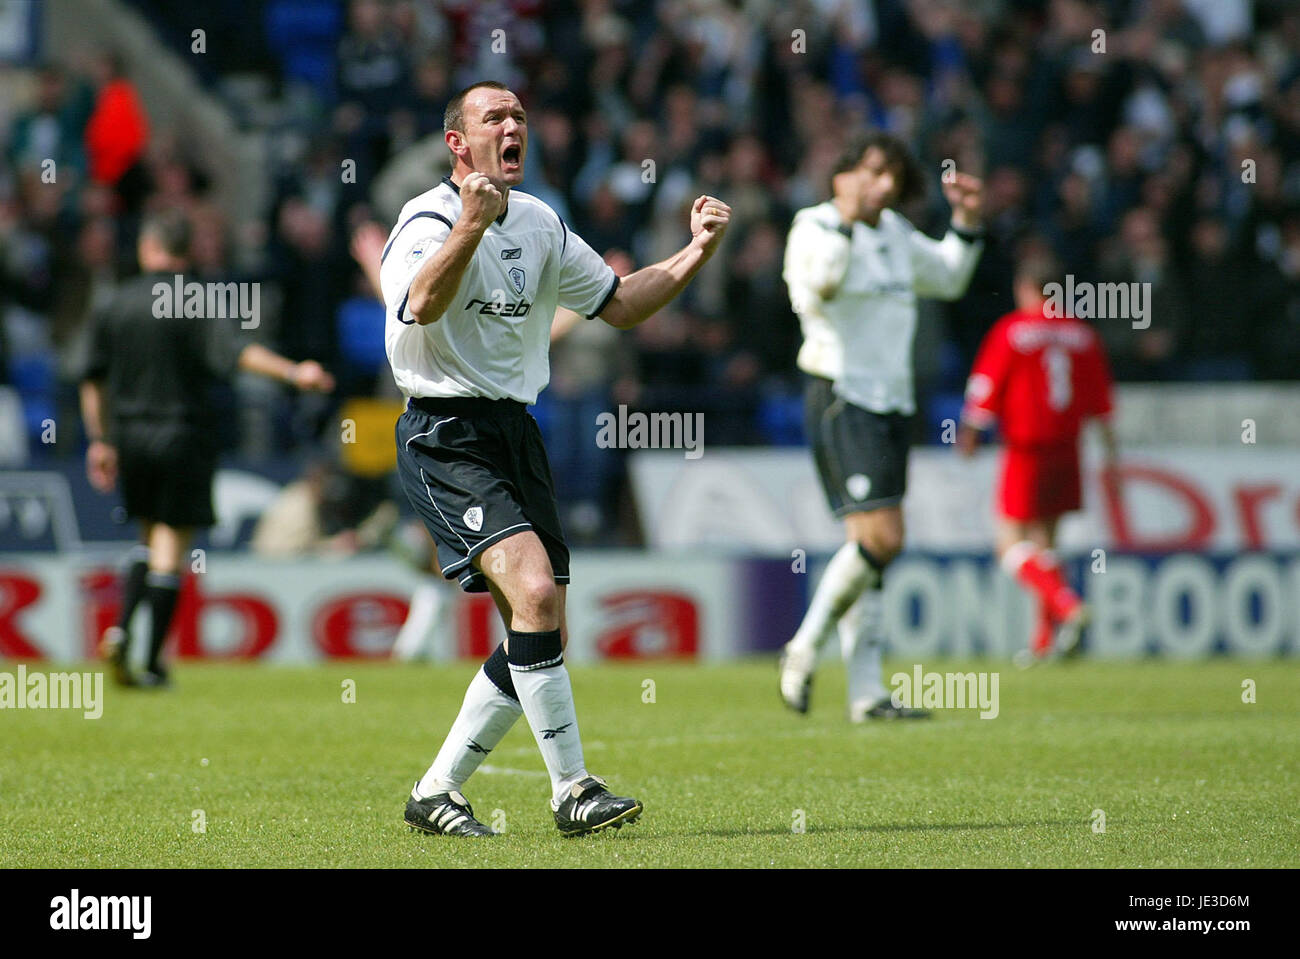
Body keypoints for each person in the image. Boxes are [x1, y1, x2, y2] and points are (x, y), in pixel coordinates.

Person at [381, 80, 730, 837]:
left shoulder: (540, 221)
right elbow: (421, 303)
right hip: (444, 431)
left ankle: (436, 790)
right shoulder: (427, 218)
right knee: (535, 591)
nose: (512, 127)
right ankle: (574, 788)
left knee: (539, 629)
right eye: (493, 118)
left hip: (515, 431)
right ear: (457, 144)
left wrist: (695, 252)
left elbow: (620, 302)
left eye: (519, 118)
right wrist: (471, 226)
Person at [778, 131, 985, 722]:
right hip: (844, 393)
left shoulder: (893, 231)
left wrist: (966, 222)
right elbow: (819, 288)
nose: (886, 186)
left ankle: (867, 694)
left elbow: (948, 277)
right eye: (874, 172)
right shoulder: (814, 226)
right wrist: (845, 223)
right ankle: (802, 647)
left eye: (894, 176)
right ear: (844, 174)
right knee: (882, 540)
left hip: (893, 400)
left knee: (869, 551)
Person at [82, 210, 335, 687]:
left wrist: (99, 440)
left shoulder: (114, 303)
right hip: (183, 434)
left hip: (130, 436)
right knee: (170, 547)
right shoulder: (193, 300)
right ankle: (152, 662)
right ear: (186, 253)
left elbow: (91, 378)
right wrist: (294, 372)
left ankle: (120, 629)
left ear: (148, 246)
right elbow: (238, 353)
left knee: (146, 535)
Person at [957, 254, 1115, 664]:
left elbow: (985, 387)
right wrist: (1111, 452)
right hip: (1067, 450)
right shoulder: (1081, 335)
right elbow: (1101, 403)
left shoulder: (1012, 331)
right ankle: (1045, 643)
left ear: (1025, 288)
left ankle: (1067, 607)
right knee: (1047, 544)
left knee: (1009, 543)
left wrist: (971, 433)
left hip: (1027, 449)